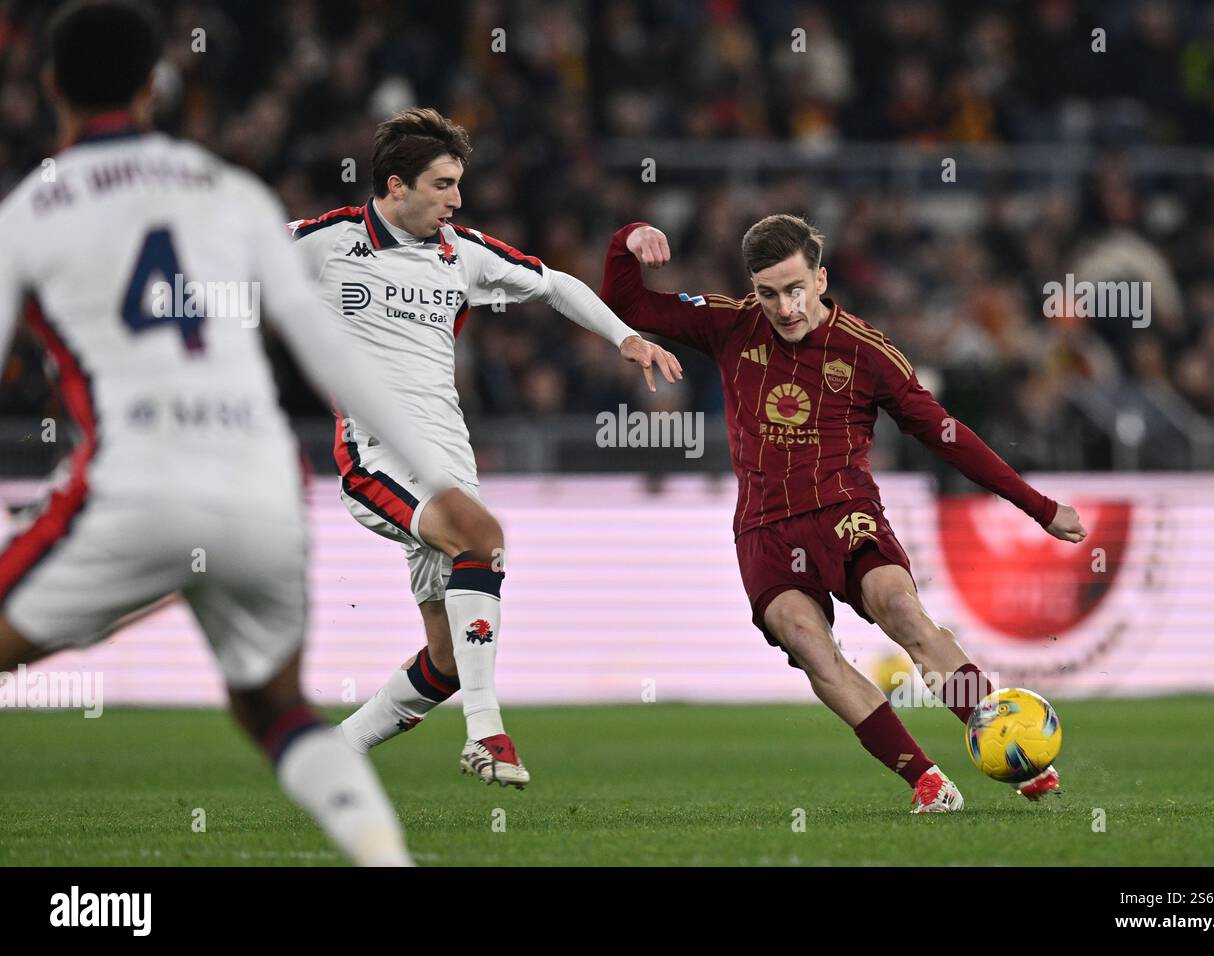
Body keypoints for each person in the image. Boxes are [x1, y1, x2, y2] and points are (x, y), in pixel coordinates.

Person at [0, 0, 486, 864]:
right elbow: (334, 356)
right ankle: (386, 859)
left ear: (49, 87)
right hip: (263, 490)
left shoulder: (33, 210)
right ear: (155, 87)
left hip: (135, 485)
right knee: (276, 710)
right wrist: (440, 485)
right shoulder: (231, 193)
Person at [600, 216, 1087, 811]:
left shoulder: (866, 352)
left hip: (844, 512)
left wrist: (1038, 508)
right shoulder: (728, 325)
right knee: (808, 644)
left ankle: (1009, 744)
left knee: (900, 610)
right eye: (769, 293)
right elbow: (627, 303)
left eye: (795, 288)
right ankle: (928, 782)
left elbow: (947, 435)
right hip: (763, 528)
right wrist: (627, 239)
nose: (784, 307)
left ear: (821, 277)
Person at [292, 108, 681, 788]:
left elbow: (555, 284)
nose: (457, 199)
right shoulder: (324, 244)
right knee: (482, 540)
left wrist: (625, 337)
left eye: (458, 185)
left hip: (451, 463)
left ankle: (331, 754)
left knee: (444, 658)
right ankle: (487, 734)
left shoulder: (461, 253)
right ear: (394, 187)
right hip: (376, 455)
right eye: (443, 184)